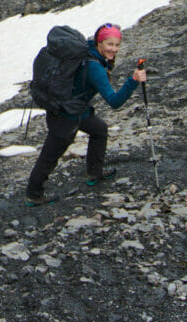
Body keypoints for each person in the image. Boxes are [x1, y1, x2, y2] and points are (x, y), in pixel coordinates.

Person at [26, 23, 147, 205]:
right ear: (99, 43)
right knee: (50, 155)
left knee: (99, 130)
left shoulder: (89, 51)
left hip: (76, 108)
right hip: (65, 115)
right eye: (109, 44)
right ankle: (33, 194)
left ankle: (94, 173)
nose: (113, 49)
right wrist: (133, 81)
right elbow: (114, 101)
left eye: (116, 45)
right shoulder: (95, 67)